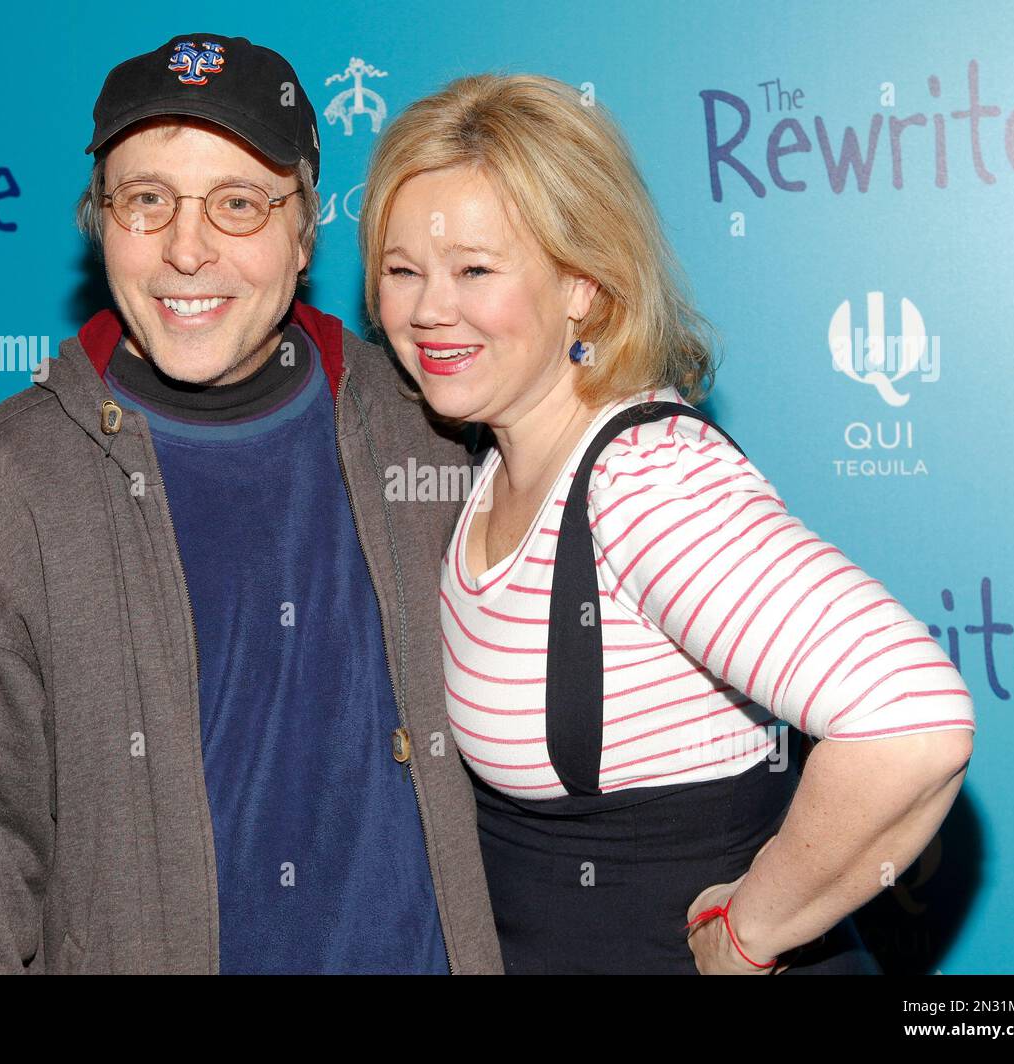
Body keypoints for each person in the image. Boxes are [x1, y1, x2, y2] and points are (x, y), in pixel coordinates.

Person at [0, 33, 503, 974]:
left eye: (239, 203)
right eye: (146, 200)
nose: (185, 247)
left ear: (304, 234)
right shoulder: (8, 484)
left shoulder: (435, 431)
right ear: (100, 223)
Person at [357, 73, 977, 974]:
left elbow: (910, 718)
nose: (427, 310)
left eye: (475, 269)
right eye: (401, 269)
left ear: (583, 284)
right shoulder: (493, 468)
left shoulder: (644, 479)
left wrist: (750, 932)